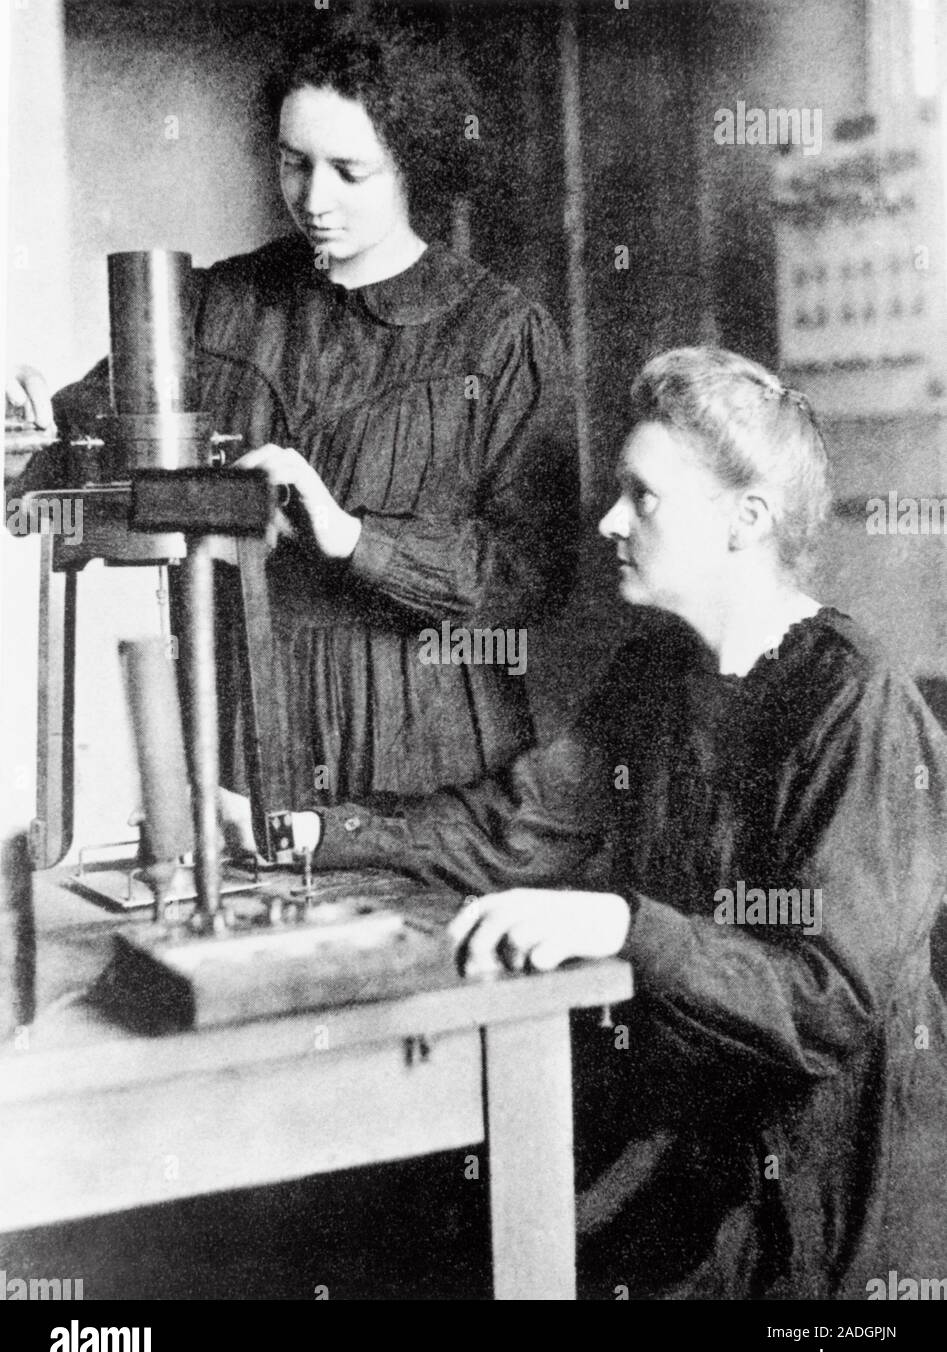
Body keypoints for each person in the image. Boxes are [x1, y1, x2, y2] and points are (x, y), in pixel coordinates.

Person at [244, 346, 947, 1299]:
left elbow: (825, 1002)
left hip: (834, 1200)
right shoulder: (655, 671)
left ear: (744, 521)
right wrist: (309, 835)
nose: (610, 520)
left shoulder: (855, 700)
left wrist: (621, 923)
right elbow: (511, 827)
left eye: (641, 496)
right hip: (698, 1156)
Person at [9, 19, 579, 807]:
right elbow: (66, 470)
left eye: (349, 171)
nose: (313, 199)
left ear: (410, 161)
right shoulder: (212, 305)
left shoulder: (499, 333)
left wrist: (352, 537)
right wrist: (24, 447)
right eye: (293, 163)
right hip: (245, 739)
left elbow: (532, 574)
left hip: (427, 747)